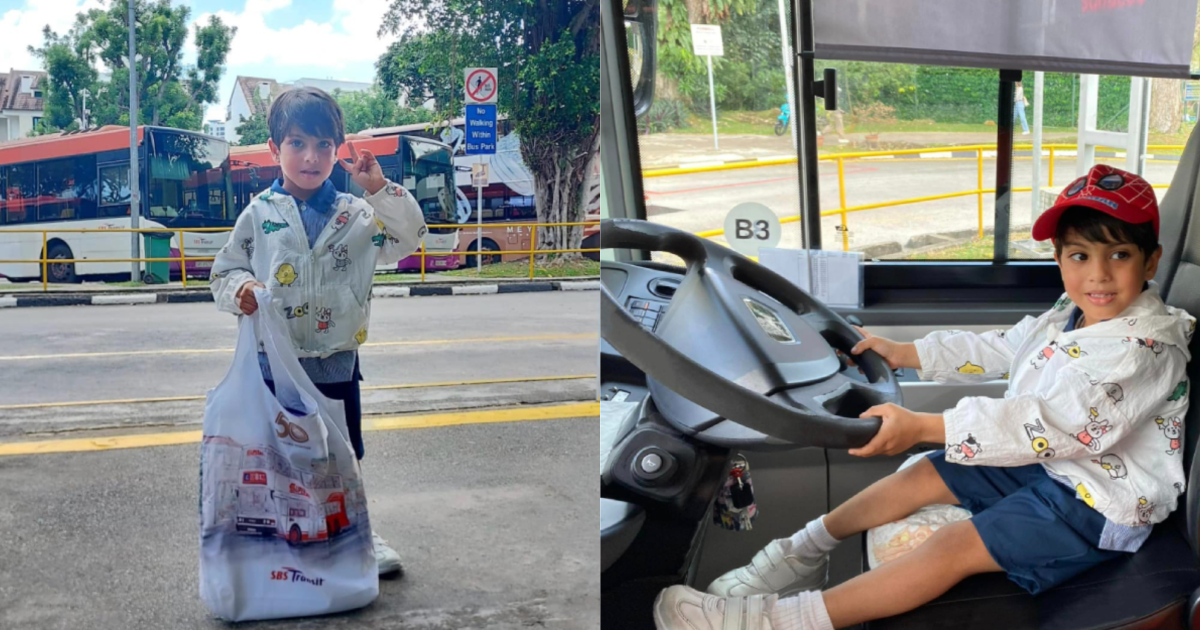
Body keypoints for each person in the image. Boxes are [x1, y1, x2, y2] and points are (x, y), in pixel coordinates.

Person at [653, 164, 1195, 629]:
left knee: (951, 545)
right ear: (1058, 258)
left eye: (1118, 255)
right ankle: (800, 553)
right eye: (1079, 256)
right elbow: (1002, 346)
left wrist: (926, 425)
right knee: (925, 471)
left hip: (1100, 504)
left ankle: (783, 622)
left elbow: (1053, 423)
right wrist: (905, 353)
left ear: (1150, 263)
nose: (1097, 275)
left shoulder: (1143, 348)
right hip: (1053, 465)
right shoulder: (1068, 314)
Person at [208, 86, 428, 578]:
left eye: (323, 144)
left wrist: (379, 189)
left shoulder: (359, 214)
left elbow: (409, 237)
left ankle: (357, 533)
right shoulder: (258, 214)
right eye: (297, 143)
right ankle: (286, 537)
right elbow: (224, 271)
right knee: (282, 453)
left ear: (338, 148)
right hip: (275, 364)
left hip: (335, 360)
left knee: (341, 452)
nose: (311, 157)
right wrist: (241, 288)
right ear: (274, 148)